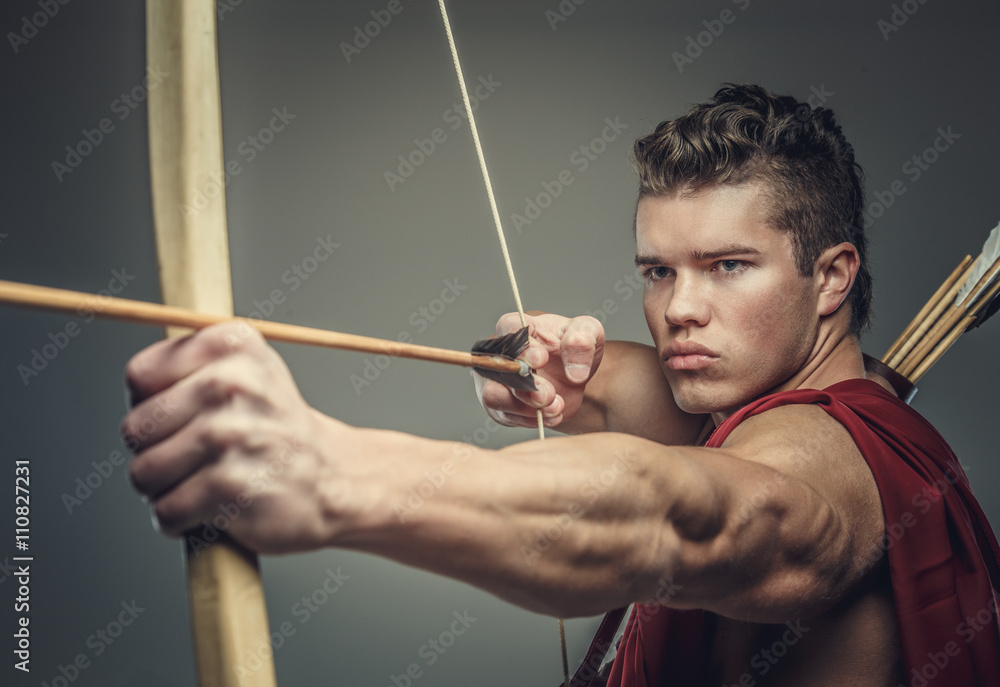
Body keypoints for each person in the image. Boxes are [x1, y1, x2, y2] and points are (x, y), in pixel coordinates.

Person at [123, 84, 1000, 686]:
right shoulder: (737, 402)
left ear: (832, 276)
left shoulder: (831, 459)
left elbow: (674, 515)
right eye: (658, 271)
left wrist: (329, 472)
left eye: (728, 266)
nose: (679, 308)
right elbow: (623, 389)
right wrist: (520, 358)